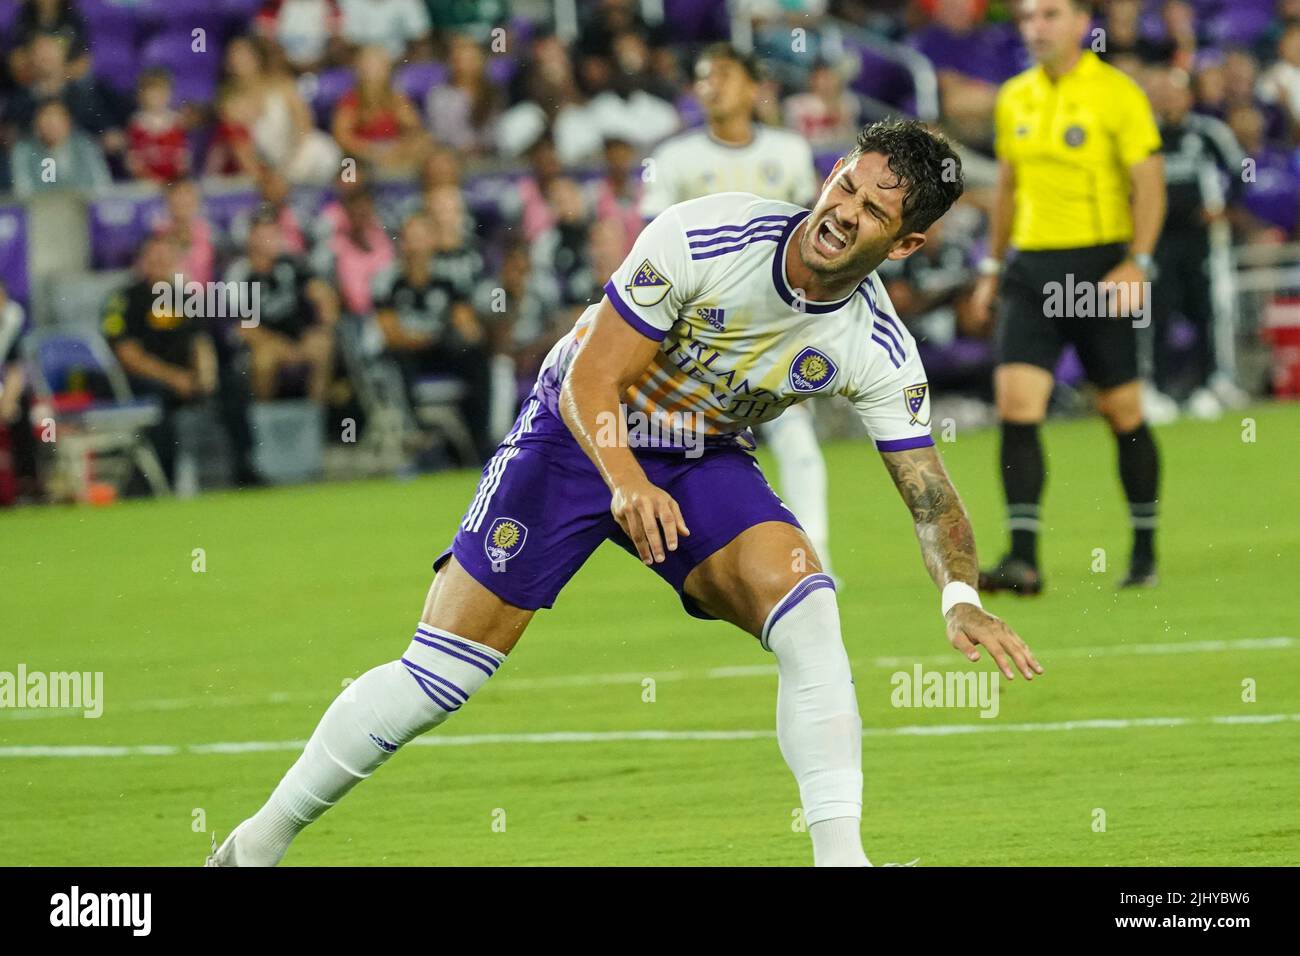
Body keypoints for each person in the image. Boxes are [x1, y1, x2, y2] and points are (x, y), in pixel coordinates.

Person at [208, 119, 1042, 869]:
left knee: (810, 608)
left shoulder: (876, 346)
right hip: (576, 432)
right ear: (828, 174)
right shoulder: (707, 235)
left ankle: (841, 864)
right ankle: (255, 847)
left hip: (698, 457)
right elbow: (592, 376)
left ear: (904, 246)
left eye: (872, 212)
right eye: (845, 187)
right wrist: (625, 481)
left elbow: (928, 490)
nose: (843, 212)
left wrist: (959, 596)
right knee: (442, 674)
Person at [971, 0, 1167, 593]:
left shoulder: (1117, 93)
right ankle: (1024, 559)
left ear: (1083, 23)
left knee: (1122, 412)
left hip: (1099, 268)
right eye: (1028, 17)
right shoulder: (1014, 97)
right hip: (1031, 269)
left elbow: (1149, 183)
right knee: (1017, 406)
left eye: (1050, 14)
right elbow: (1007, 187)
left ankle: (1144, 549)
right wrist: (991, 266)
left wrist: (1139, 261)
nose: (1036, 27)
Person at [640, 43, 834, 577]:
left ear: (754, 87)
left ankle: (813, 558)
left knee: (796, 440)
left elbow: (813, 235)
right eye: (702, 76)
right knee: (699, 450)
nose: (710, 85)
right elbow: (651, 242)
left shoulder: (791, 151)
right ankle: (709, 563)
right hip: (694, 333)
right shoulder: (675, 159)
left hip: (775, 326)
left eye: (723, 74)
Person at [101, 236, 257, 487]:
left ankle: (245, 468)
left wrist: (206, 376)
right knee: (158, 399)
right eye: (154, 258)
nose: (160, 263)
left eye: (166, 258)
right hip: (143, 381)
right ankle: (160, 482)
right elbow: (127, 354)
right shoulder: (125, 298)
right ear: (142, 261)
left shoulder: (185, 298)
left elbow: (200, 342)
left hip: (185, 379)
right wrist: (174, 379)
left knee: (233, 387)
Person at [373, 214, 492, 461]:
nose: (416, 246)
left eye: (422, 237)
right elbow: (391, 333)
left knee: (475, 355)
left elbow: (466, 324)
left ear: (432, 242)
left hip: (439, 350)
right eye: (410, 238)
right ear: (401, 243)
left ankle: (479, 439)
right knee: (397, 358)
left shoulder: (447, 280)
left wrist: (468, 335)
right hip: (407, 354)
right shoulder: (388, 280)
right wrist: (427, 337)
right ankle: (417, 439)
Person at [226, 211, 340, 404]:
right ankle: (265, 424)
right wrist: (282, 347)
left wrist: (324, 327)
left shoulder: (291, 264)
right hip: (264, 342)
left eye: (275, 234)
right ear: (251, 239)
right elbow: (240, 326)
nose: (273, 240)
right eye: (265, 235)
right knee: (264, 360)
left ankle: (313, 417)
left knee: (322, 345)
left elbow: (322, 292)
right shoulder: (239, 273)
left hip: (299, 338)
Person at [10, 98, 111, 196]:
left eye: (57, 120)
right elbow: (23, 193)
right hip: (41, 210)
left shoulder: (86, 146)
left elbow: (102, 185)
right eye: (47, 121)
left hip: (83, 209)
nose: (52, 126)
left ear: (68, 122)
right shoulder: (23, 151)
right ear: (36, 124)